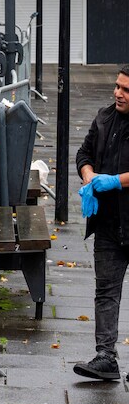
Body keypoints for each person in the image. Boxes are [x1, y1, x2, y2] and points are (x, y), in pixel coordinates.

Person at [73, 65, 129, 381]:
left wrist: (115, 182)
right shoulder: (105, 117)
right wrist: (90, 177)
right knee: (106, 290)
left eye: (126, 89)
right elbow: (83, 153)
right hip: (108, 223)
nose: (118, 93)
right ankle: (106, 356)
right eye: (117, 86)